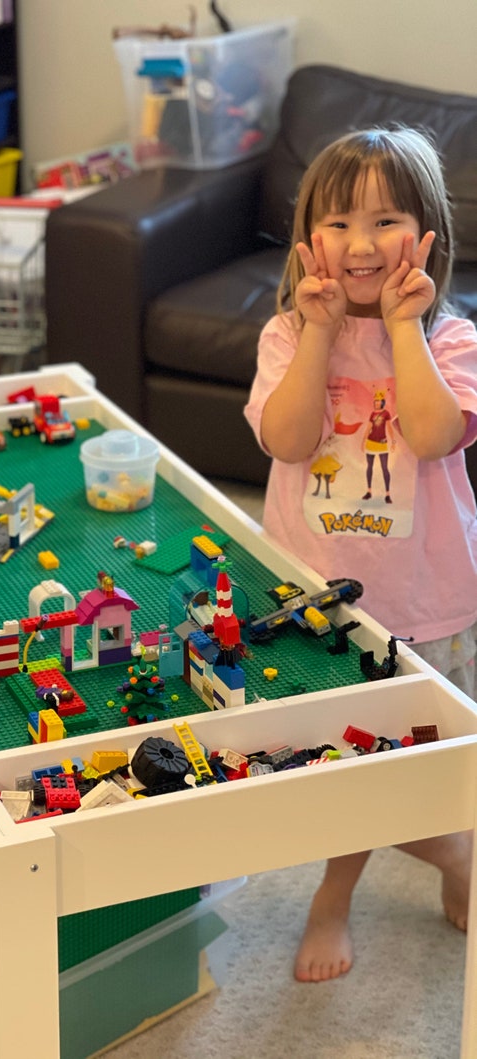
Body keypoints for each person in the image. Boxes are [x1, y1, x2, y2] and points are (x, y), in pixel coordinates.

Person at [244, 126, 477, 984]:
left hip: (425, 607)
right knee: (327, 763)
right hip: (316, 605)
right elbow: (291, 438)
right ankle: (455, 854)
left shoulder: (452, 341)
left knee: (413, 765)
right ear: (310, 240)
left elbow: (432, 430)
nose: (362, 243)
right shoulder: (284, 337)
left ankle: (350, 889)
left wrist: (404, 330)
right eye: (339, 222)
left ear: (425, 238)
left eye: (385, 221)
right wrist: (317, 333)